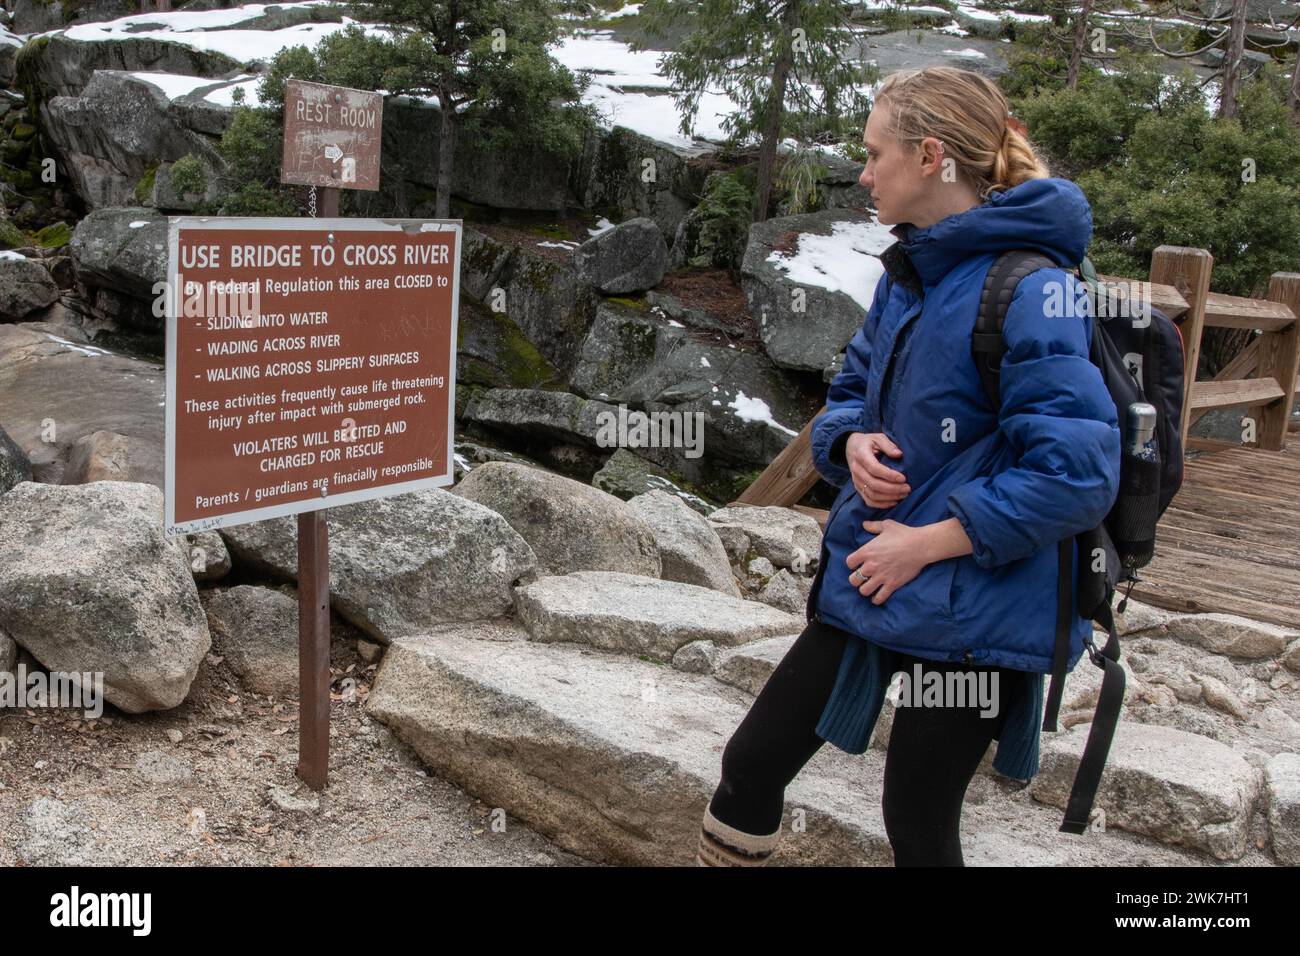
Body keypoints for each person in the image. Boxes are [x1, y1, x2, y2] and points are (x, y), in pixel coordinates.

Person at [696, 66, 1121, 867]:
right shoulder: (913, 271)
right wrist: (848, 444)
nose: (862, 174)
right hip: (874, 576)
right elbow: (852, 391)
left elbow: (1077, 476)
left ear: (930, 157)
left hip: (978, 609)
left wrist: (923, 543)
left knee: (918, 821)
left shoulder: (1032, 290)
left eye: (873, 153)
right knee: (749, 766)